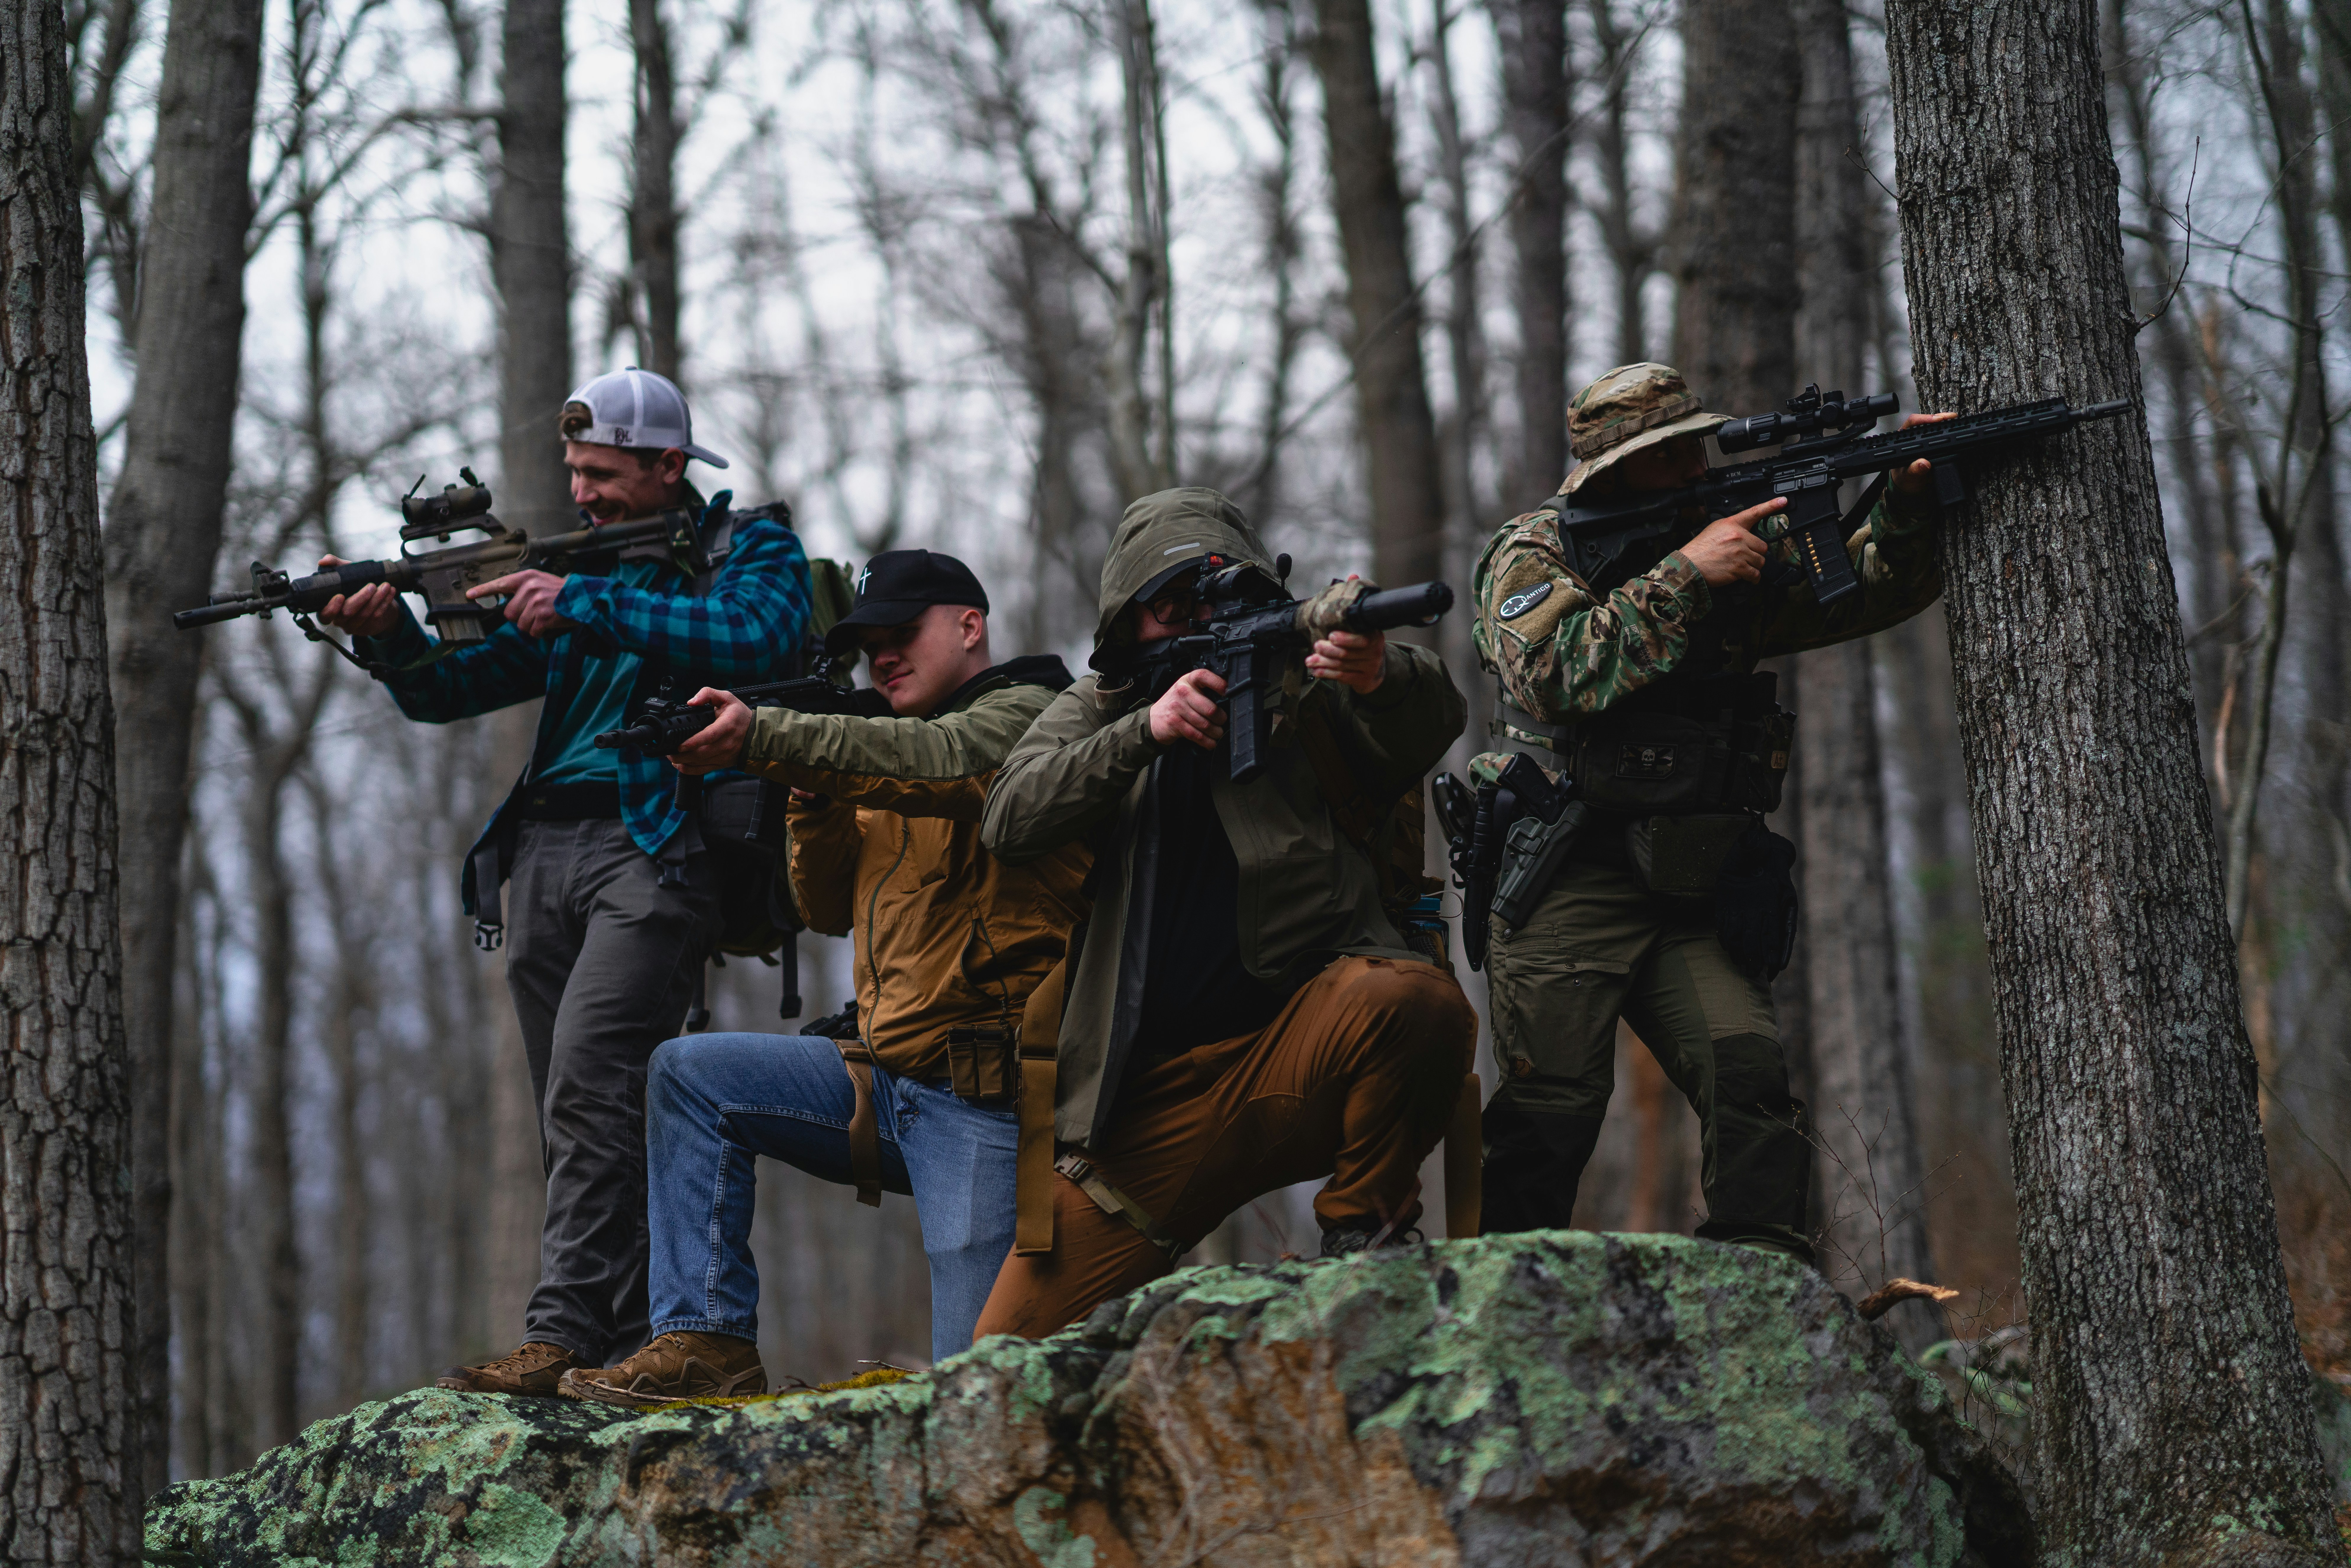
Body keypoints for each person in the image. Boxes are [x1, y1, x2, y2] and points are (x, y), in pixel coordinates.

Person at [316, 367, 812, 1394]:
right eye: (574, 473)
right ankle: (632, 1342)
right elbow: (454, 691)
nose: (581, 493)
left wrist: (584, 601)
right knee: (573, 1104)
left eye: (602, 473)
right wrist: (388, 638)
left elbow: (761, 637)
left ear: (668, 466)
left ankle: (563, 1332)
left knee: (595, 1078)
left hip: (654, 843)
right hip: (541, 851)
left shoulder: (743, 547)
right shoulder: (575, 566)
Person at [556, 550, 1091, 1406]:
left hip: (990, 1103)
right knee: (690, 1074)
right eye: (868, 642)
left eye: (902, 633)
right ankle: (705, 1342)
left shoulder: (1035, 717)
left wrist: (772, 737)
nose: (883, 655)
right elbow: (830, 905)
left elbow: (947, 760)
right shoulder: (887, 749)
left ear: (970, 626)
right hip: (887, 1081)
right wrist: (814, 798)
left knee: (979, 1389)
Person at [969, 487, 1477, 1342]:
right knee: (1005, 1356)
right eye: (1165, 608)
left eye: (1208, 597)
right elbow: (1010, 818)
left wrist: (1377, 673)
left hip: (1298, 1057)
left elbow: (1431, 717)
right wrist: (1147, 731)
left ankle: (1366, 1235)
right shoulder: (1103, 707)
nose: (1187, 621)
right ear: (1126, 624)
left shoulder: (1307, 682)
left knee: (1414, 999)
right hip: (1146, 1107)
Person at [1469, 361, 1952, 1257]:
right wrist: (1688, 575)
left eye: (1698, 449)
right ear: (1613, 472)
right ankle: (1500, 1308)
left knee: (1750, 1073)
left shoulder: (1723, 538)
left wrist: (1909, 502)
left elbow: (1864, 592)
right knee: (1551, 1110)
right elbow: (1555, 671)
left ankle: (1766, 1288)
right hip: (1565, 873)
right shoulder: (1535, 552)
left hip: (1694, 877)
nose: (1697, 471)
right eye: (1671, 457)